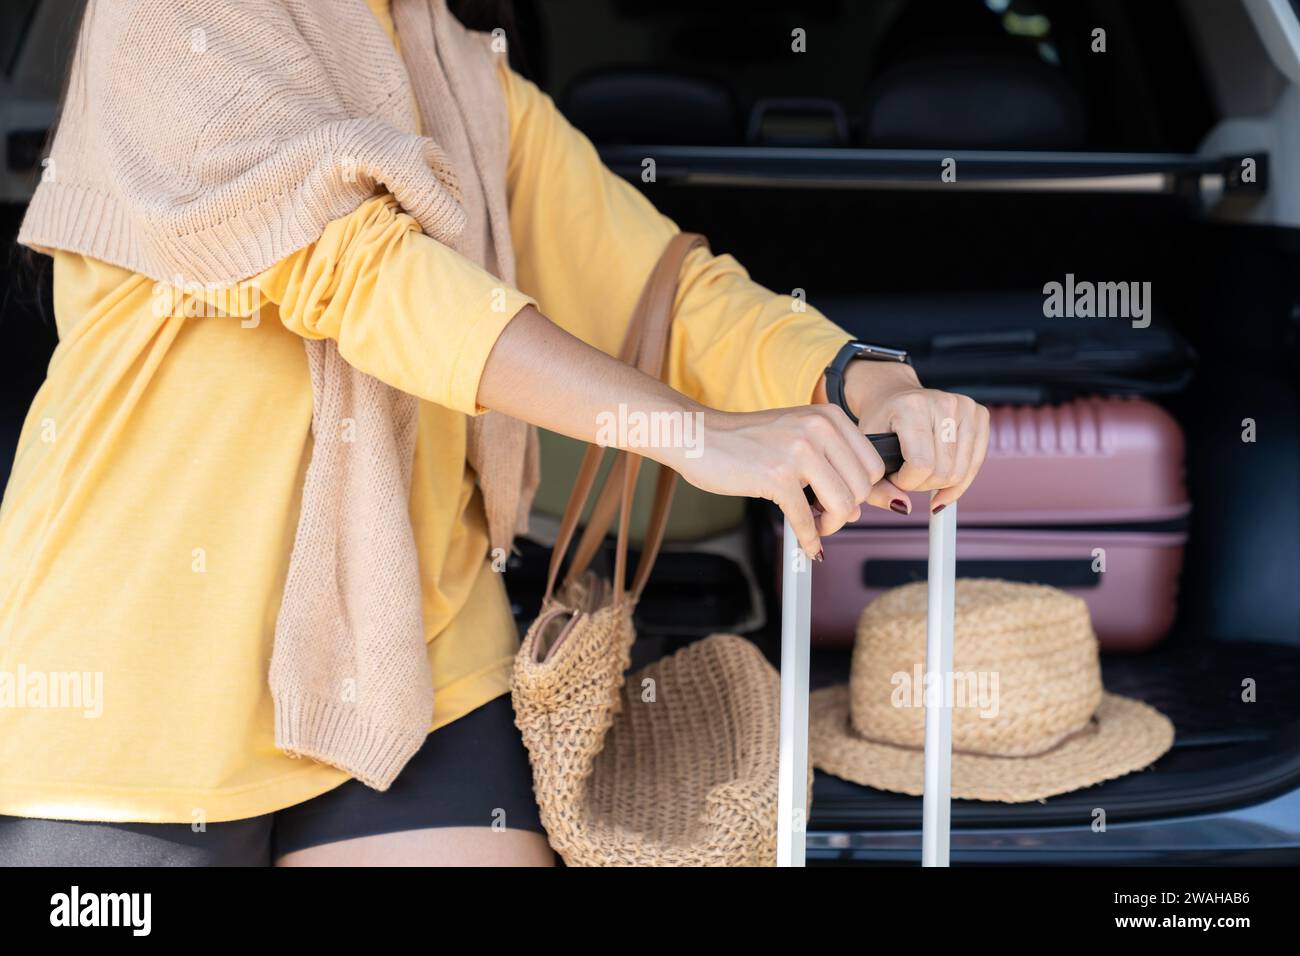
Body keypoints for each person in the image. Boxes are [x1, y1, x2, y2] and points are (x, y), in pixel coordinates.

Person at [0, 0, 989, 866]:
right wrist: (695, 434)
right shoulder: (168, 18)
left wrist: (863, 380)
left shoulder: (463, 72)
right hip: (143, 663)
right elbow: (358, 272)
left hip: (413, 648)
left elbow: (665, 291)